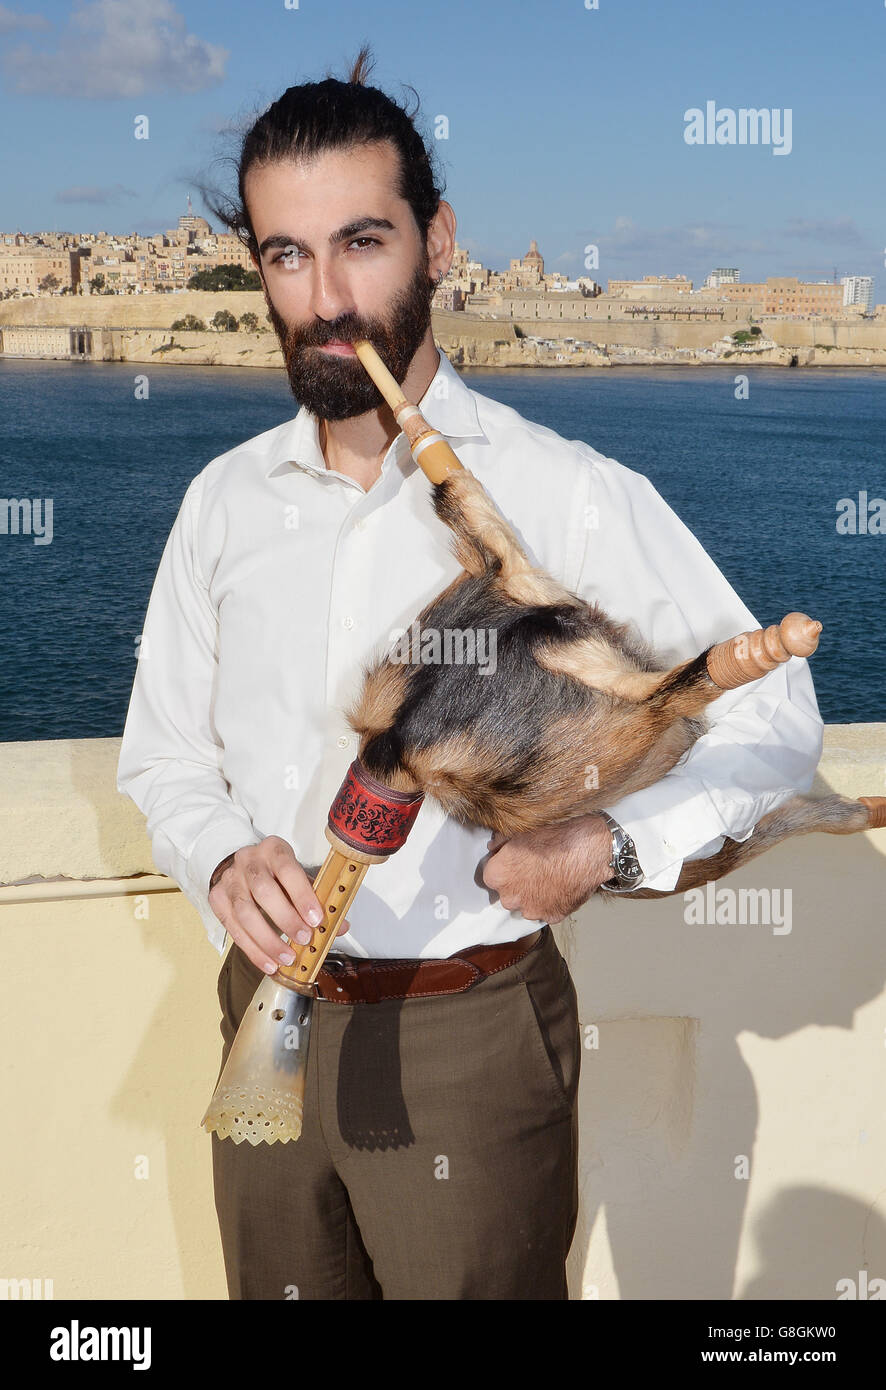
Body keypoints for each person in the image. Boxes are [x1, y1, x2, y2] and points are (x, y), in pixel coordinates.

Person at [116, 47, 824, 1300]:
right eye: (287, 255)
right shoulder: (220, 503)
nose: (327, 298)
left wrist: (602, 846)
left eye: (364, 242)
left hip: (470, 1032)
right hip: (261, 1016)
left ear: (438, 243)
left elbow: (774, 718)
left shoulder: (574, 496)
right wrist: (220, 858)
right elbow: (165, 753)